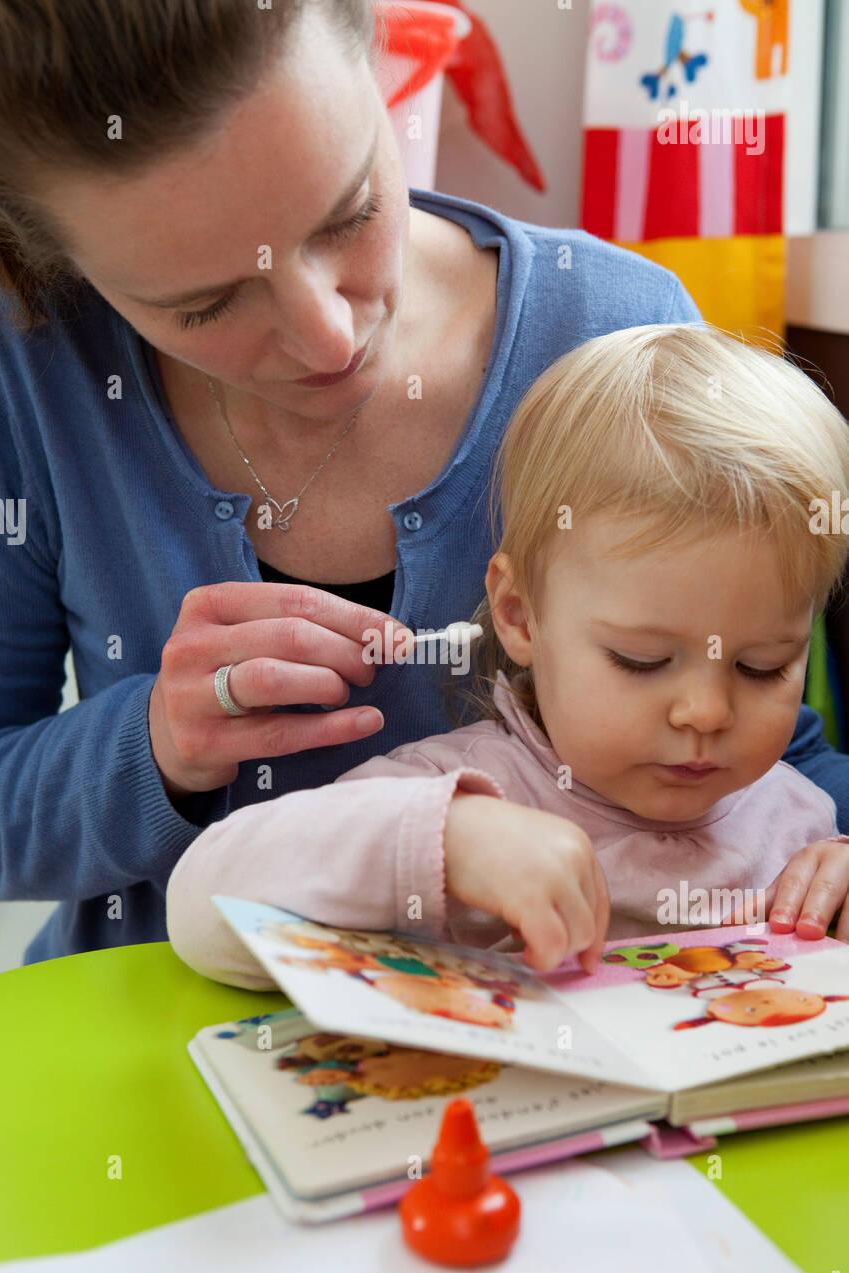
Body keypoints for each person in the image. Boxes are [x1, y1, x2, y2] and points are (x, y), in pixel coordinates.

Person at [0, 2, 843, 967]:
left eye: (350, 211)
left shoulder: (617, 331)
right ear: (56, 264)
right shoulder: (25, 366)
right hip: (153, 1030)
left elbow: (765, 768)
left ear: (388, 60)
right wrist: (151, 748)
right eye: (205, 303)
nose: (330, 337)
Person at [166, 322, 849, 988]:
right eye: (640, 660)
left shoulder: (798, 822)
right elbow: (203, 908)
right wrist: (448, 843)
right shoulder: (457, 793)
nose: (705, 712)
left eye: (763, 665)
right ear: (520, 616)